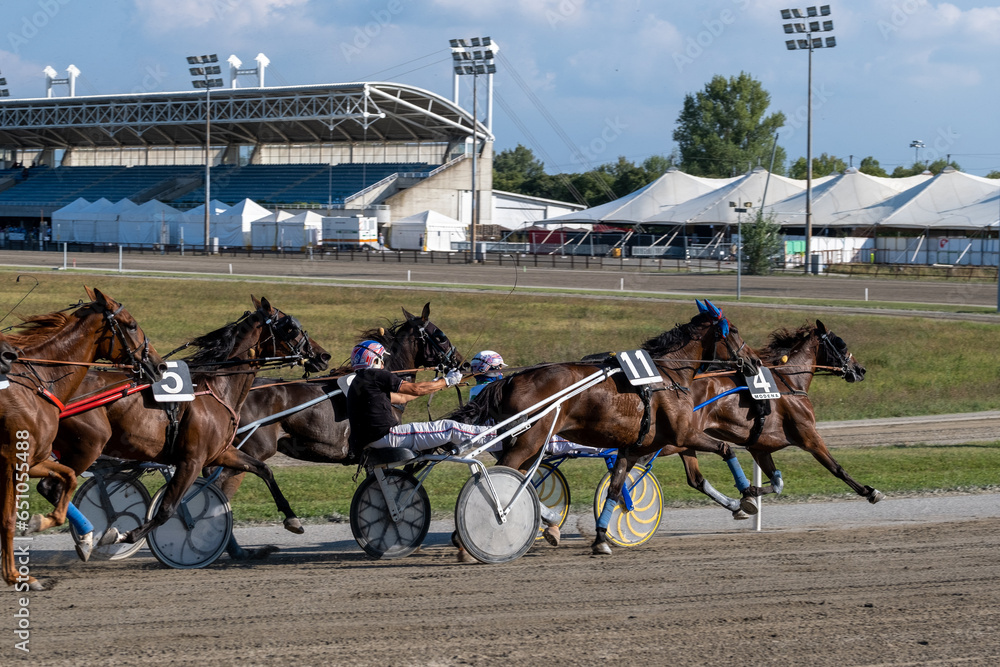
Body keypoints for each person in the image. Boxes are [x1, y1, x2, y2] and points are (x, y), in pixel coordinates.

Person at [345, 340, 495, 461]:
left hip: (372, 441)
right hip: (389, 436)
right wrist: (446, 381)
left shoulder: (359, 383)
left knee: (448, 429)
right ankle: (496, 435)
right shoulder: (376, 375)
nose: (383, 363)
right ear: (375, 359)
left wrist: (437, 384)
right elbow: (414, 389)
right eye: (382, 359)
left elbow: (403, 397)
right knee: (450, 428)